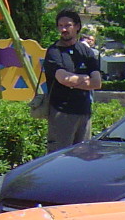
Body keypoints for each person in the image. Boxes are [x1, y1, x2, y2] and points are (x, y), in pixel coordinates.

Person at [43, 9, 102, 154]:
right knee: (60, 157)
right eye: (60, 26)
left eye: (67, 25)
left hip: (84, 112)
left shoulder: (86, 52)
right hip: (61, 113)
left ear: (77, 26)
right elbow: (63, 79)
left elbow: (97, 83)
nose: (64, 29)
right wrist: (85, 79)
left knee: (83, 157)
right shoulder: (54, 52)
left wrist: (74, 81)